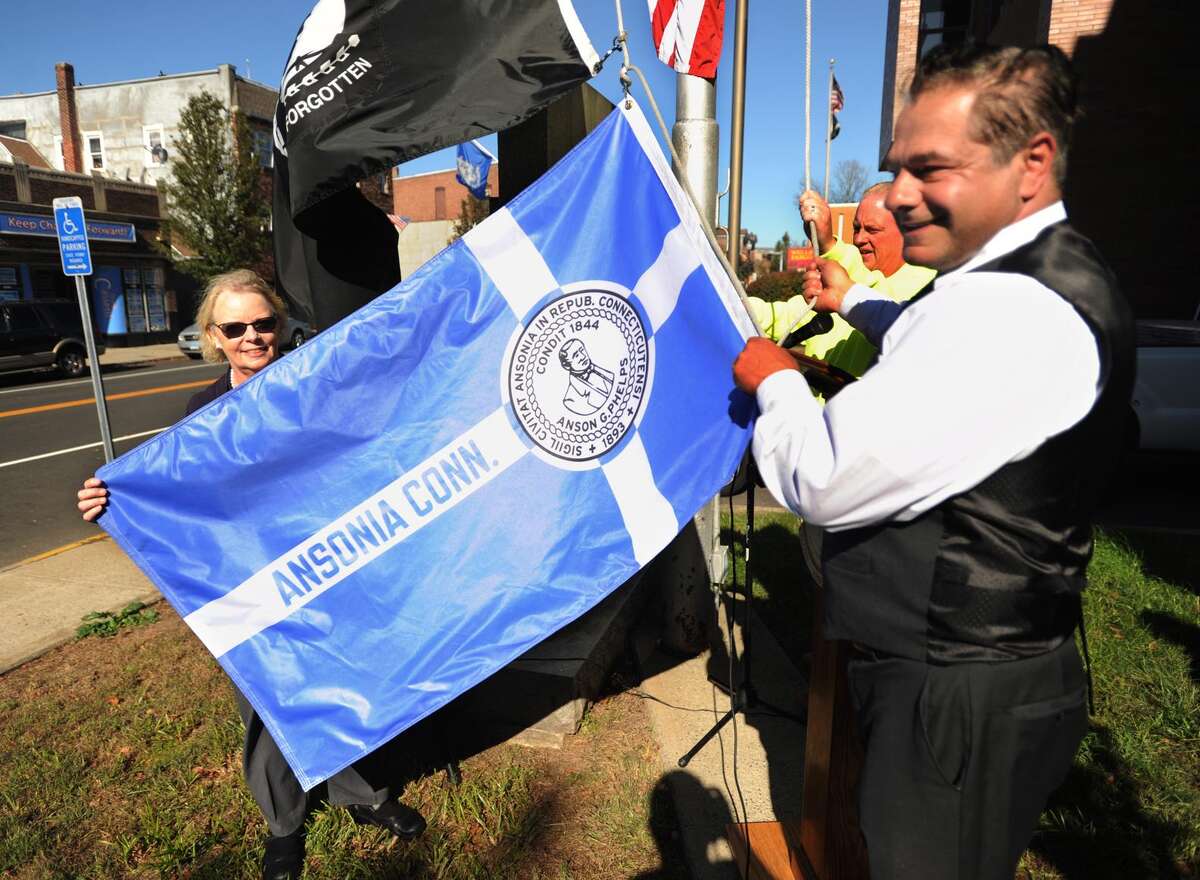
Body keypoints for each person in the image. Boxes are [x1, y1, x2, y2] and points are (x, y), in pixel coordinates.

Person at [732, 43, 1133, 880]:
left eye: (930, 169)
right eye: (896, 170)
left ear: (1032, 163)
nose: (899, 197)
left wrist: (776, 384)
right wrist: (862, 302)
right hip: (972, 675)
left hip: (954, 693)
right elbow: (925, 335)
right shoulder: (1032, 277)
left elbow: (822, 480)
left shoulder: (1007, 312)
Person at [77, 269, 426, 880]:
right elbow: (177, 498)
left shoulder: (317, 382)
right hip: (251, 586)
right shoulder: (202, 413)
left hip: (330, 565)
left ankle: (362, 796)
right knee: (267, 699)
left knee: (340, 679)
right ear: (213, 336)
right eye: (235, 328)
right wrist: (111, 500)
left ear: (282, 324)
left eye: (263, 323)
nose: (252, 337)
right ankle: (284, 826)